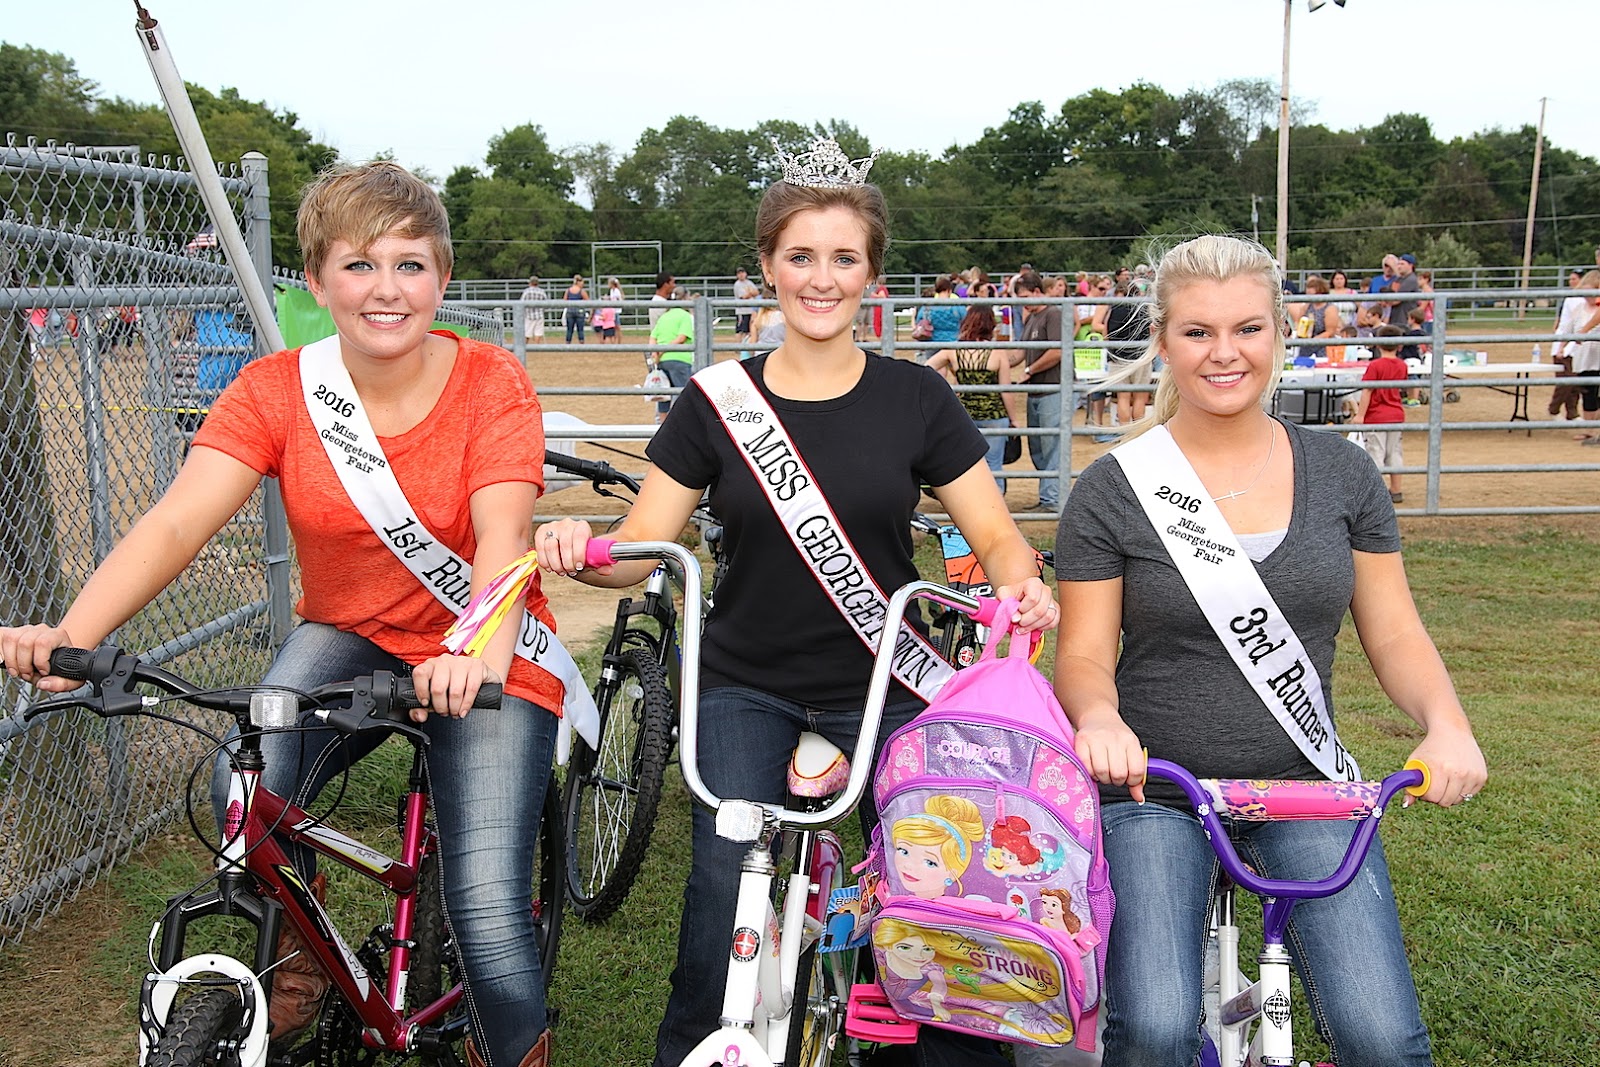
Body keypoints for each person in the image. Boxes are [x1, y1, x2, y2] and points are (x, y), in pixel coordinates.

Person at [0, 162, 573, 1067]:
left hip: (482, 645)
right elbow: (179, 520)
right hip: (348, 632)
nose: (386, 290)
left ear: (443, 277)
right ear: (316, 279)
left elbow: (503, 535)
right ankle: (297, 956)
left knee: (491, 911)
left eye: (411, 265)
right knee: (246, 802)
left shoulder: (490, 381)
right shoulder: (277, 389)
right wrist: (74, 633)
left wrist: (475, 654)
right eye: (358, 265)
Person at [534, 138, 1056, 1067]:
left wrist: (1021, 585)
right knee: (720, 893)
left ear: (872, 273)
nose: (821, 279)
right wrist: (584, 551)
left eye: (843, 258)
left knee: (930, 888)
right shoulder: (714, 402)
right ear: (767, 267)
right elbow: (645, 547)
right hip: (745, 684)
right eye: (801, 257)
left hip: (888, 682)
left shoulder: (918, 399)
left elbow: (1000, 539)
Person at [1053, 234, 1486, 1067]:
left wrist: (1447, 722)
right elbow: (1082, 652)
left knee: (1380, 1036)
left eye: (1248, 329)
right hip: (1155, 785)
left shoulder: (1343, 473)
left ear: (1281, 333)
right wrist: (1100, 716)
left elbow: (1393, 629)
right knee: (1150, 1023)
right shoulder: (1114, 486)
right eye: (1198, 332)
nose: (1225, 353)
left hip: (1304, 784)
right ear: (1164, 342)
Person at [926, 305, 1016, 478]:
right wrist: (1014, 419)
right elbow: (1006, 390)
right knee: (994, 464)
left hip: (964, 414)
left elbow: (926, 368)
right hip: (994, 415)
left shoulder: (953, 350)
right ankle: (994, 503)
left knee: (964, 466)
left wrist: (952, 381)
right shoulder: (997, 352)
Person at [1011, 269, 1064, 512]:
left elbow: (1056, 351)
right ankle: (1048, 497)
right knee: (1038, 447)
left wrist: (1030, 370)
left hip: (1052, 388)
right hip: (1036, 391)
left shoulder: (1053, 314)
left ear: (1036, 291)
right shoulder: (1032, 317)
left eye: (1024, 297)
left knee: (1051, 445)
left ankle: (1052, 499)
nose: (1022, 303)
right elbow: (1019, 352)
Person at [1359, 325, 1410, 502]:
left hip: (1376, 415)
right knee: (1395, 452)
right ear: (1399, 345)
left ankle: (1376, 495)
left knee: (1376, 453)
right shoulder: (1402, 365)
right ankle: (1396, 489)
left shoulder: (1375, 365)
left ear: (1378, 344)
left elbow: (1367, 391)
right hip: (1395, 414)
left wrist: (1360, 415)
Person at [1103, 281, 1151, 428]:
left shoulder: (1116, 309)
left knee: (1123, 397)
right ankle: (1136, 432)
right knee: (1139, 397)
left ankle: (1125, 433)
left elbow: (1108, 333)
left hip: (1118, 357)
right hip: (1140, 356)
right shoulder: (1143, 309)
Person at [648, 293, 695, 423]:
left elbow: (653, 337)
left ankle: (662, 425)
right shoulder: (685, 316)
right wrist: (664, 349)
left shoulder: (664, 317)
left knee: (664, 395)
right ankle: (683, 425)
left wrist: (655, 352)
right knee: (684, 394)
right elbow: (682, 337)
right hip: (679, 358)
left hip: (662, 361)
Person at [1549, 267, 1586, 422]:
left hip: (1579, 345)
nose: (1571, 282)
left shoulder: (1585, 298)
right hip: (1565, 344)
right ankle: (1554, 409)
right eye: (1570, 279)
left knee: (1575, 382)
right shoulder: (1572, 298)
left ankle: (1572, 412)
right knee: (1566, 380)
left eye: (1574, 279)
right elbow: (1568, 323)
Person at [732, 266, 759, 352]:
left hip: (749, 310)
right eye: (739, 273)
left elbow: (757, 292)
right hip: (741, 310)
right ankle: (738, 347)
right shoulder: (737, 284)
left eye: (742, 272)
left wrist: (751, 293)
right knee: (740, 329)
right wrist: (751, 293)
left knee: (748, 329)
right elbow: (743, 297)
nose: (741, 275)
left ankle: (745, 346)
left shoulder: (749, 282)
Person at [520, 274, 548, 345]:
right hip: (539, 315)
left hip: (528, 315)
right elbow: (546, 304)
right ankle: (536, 347)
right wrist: (543, 310)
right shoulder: (542, 291)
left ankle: (524, 347)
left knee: (527, 333)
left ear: (530, 283)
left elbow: (521, 303)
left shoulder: (526, 292)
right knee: (538, 333)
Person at [563, 273, 589, 344]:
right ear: (579, 282)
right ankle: (581, 342)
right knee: (580, 329)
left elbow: (564, 301)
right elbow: (588, 301)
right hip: (580, 311)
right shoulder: (582, 291)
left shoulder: (568, 290)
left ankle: (568, 343)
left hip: (570, 311)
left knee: (569, 329)